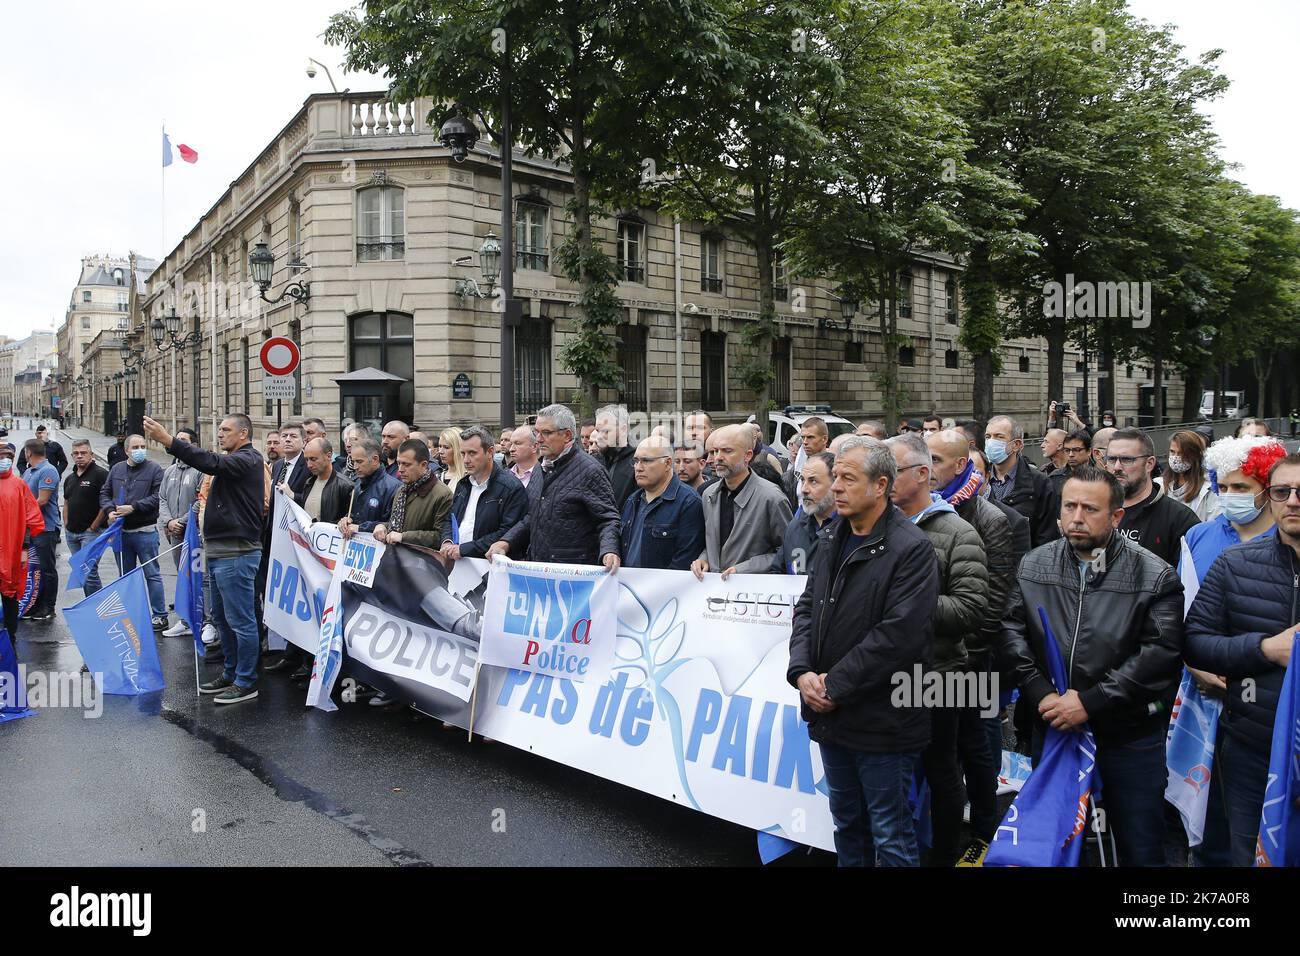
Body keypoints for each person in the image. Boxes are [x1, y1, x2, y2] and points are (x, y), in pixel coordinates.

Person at [1002, 466, 1184, 865]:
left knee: (1138, 845)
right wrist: (1041, 693)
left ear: (1116, 516)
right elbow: (1012, 631)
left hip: (1127, 738)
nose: (1077, 517)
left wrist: (1090, 702)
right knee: (1060, 842)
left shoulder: (1155, 576)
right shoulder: (1034, 565)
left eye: (1090, 509)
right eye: (1069, 506)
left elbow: (1159, 655)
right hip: (1054, 728)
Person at [787, 435, 940, 866]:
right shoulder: (831, 537)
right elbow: (807, 608)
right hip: (830, 716)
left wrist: (834, 686)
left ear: (880, 486)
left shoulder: (912, 549)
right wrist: (801, 671)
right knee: (847, 824)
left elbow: (898, 636)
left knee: (890, 834)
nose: (835, 486)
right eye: (835, 476)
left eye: (848, 478)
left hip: (882, 722)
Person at [1184, 451, 1300, 867]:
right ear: (1269, 497)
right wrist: (1264, 649)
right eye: (1282, 491)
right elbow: (1195, 643)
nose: (1292, 501)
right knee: (1250, 854)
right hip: (1253, 749)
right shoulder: (1235, 565)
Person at [886, 433, 989, 867]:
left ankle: (945, 854)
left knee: (941, 768)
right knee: (889, 772)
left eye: (891, 471)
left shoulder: (958, 532)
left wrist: (903, 606)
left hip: (939, 673)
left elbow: (971, 609)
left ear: (922, 474)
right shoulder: (877, 525)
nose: (881, 479)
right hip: (884, 671)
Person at [927, 429, 1014, 865]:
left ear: (960, 465)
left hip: (973, 659)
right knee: (940, 751)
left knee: (975, 745)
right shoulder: (922, 511)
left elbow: (993, 602)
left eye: (936, 461)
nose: (928, 469)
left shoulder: (989, 519)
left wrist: (966, 656)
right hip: (934, 659)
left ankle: (982, 830)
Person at [143, 414, 265, 704]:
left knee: (241, 621)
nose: (220, 434)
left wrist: (169, 441)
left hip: (237, 554)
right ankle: (231, 672)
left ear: (244, 433)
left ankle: (246, 681)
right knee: (221, 619)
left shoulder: (248, 459)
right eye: (219, 429)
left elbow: (212, 463)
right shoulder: (234, 459)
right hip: (218, 552)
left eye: (226, 429)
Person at [491, 404, 621, 569]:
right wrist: (507, 541)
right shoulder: (539, 467)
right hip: (539, 568)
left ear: (567, 435)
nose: (538, 439)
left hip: (573, 573)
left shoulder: (590, 470)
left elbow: (608, 519)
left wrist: (609, 550)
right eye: (536, 432)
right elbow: (533, 516)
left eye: (546, 433)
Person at [692, 425, 792, 580]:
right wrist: (704, 559)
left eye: (727, 451)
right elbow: (713, 543)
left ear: (748, 455)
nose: (718, 457)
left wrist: (745, 569)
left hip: (754, 589)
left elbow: (789, 551)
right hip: (715, 588)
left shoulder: (772, 497)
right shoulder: (709, 495)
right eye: (716, 451)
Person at [1104, 427, 1200, 567]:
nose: (1117, 467)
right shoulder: (1093, 511)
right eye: (1112, 459)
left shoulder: (1180, 519)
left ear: (1149, 464)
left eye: (1127, 459)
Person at [99, 434, 168, 629]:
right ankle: (131, 614)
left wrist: (134, 507)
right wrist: (109, 510)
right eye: (135, 447)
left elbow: (157, 497)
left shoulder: (154, 469)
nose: (140, 450)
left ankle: (159, 615)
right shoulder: (116, 469)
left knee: (152, 575)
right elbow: (105, 492)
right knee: (126, 577)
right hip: (121, 533)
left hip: (145, 531)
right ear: (126, 450)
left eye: (143, 446)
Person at [437, 426, 527, 562]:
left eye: (472, 453)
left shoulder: (510, 487)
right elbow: (450, 518)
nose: (466, 460)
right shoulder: (463, 484)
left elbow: (508, 532)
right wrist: (447, 541)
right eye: (462, 454)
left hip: (488, 566)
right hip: (459, 564)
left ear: (490, 452)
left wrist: (465, 549)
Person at [620, 435, 705, 571]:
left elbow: (684, 561)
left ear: (667, 463)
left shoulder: (689, 503)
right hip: (626, 583)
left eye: (646, 461)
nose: (638, 467)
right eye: (636, 461)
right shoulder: (632, 500)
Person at [984, 415, 1059, 547]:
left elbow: (1047, 537)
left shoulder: (1039, 482)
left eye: (999, 437)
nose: (991, 442)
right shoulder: (979, 479)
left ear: (1017, 445)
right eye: (988, 437)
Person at [157, 427, 204, 635]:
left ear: (193, 445)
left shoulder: (200, 471)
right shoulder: (169, 471)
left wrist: (182, 522)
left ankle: (203, 621)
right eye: (177, 440)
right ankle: (185, 620)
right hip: (174, 534)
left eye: (183, 440)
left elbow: (200, 501)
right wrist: (168, 522)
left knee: (199, 577)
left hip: (194, 534)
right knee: (183, 577)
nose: (177, 443)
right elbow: (162, 498)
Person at [0, 443, 44, 640]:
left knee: (10, 594)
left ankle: (11, 639)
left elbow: (30, 518)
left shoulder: (19, 485)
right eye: (1, 457)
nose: (4, 461)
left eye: (8, 457)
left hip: (13, 550)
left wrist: (25, 548)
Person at [771, 451, 836, 575]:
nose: (804, 489)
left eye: (813, 481)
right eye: (802, 480)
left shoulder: (849, 529)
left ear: (835, 484)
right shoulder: (795, 527)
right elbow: (778, 570)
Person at [18, 440, 61, 621]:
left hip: (46, 528)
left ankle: (48, 607)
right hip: (30, 529)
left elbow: (42, 500)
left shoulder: (48, 470)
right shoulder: (28, 472)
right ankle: (34, 605)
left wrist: (19, 513)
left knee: (47, 569)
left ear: (28, 452)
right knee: (33, 568)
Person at [62, 439, 109, 596]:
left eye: (83, 453)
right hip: (72, 533)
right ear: (72, 456)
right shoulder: (70, 478)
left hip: (91, 533)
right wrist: (66, 523)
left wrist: (94, 526)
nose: (79, 456)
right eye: (76, 453)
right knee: (81, 571)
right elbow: (66, 502)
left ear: (91, 454)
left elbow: (106, 503)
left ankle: (96, 605)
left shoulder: (101, 475)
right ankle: (91, 602)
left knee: (89, 572)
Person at [339, 437, 399, 538]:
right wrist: (346, 520)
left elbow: (393, 524)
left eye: (359, 462)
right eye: (354, 462)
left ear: (375, 460)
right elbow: (354, 514)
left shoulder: (394, 488)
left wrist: (361, 528)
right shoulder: (357, 484)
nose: (355, 467)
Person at [1158, 429, 1220, 523]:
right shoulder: (1159, 485)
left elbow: (1213, 525)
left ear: (1195, 455)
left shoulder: (1209, 490)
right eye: (1172, 452)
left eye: (1181, 453)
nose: (1175, 457)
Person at [289, 438, 353, 524]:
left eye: (313, 459)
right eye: (307, 460)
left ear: (329, 456)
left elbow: (351, 519)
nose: (309, 465)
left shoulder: (345, 485)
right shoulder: (309, 482)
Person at [594, 404, 637, 512]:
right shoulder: (593, 462)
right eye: (598, 431)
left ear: (623, 429)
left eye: (606, 431)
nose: (599, 437)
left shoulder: (638, 463)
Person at [782, 417, 829, 510]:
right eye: (803, 437)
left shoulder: (834, 467)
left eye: (810, 437)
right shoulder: (797, 468)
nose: (805, 442)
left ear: (824, 439)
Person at [508, 425, 541, 489]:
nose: (511, 449)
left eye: (517, 443)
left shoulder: (546, 475)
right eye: (511, 444)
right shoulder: (503, 476)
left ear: (534, 447)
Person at [436, 427, 467, 492]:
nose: (440, 451)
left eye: (446, 447)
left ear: (458, 449)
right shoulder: (437, 476)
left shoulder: (469, 477)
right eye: (440, 446)